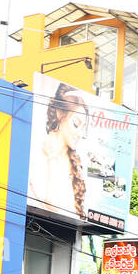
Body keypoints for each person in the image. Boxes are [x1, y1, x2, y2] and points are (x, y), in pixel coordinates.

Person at [34, 82, 89, 220]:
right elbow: (50, 202)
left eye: (83, 128)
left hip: (63, 233)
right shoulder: (36, 149)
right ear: (59, 113)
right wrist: (52, 158)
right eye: (76, 124)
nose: (80, 134)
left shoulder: (77, 164)